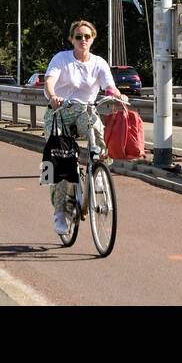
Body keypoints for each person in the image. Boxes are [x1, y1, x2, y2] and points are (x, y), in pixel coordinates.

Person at [43, 19, 123, 235]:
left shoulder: (99, 63)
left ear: (93, 38)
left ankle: (98, 169)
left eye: (87, 36)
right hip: (59, 112)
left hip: (84, 111)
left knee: (96, 128)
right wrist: (52, 97)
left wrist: (116, 95)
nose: (83, 40)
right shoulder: (61, 59)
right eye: (78, 37)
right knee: (60, 161)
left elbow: (109, 86)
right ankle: (60, 212)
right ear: (72, 39)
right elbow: (50, 80)